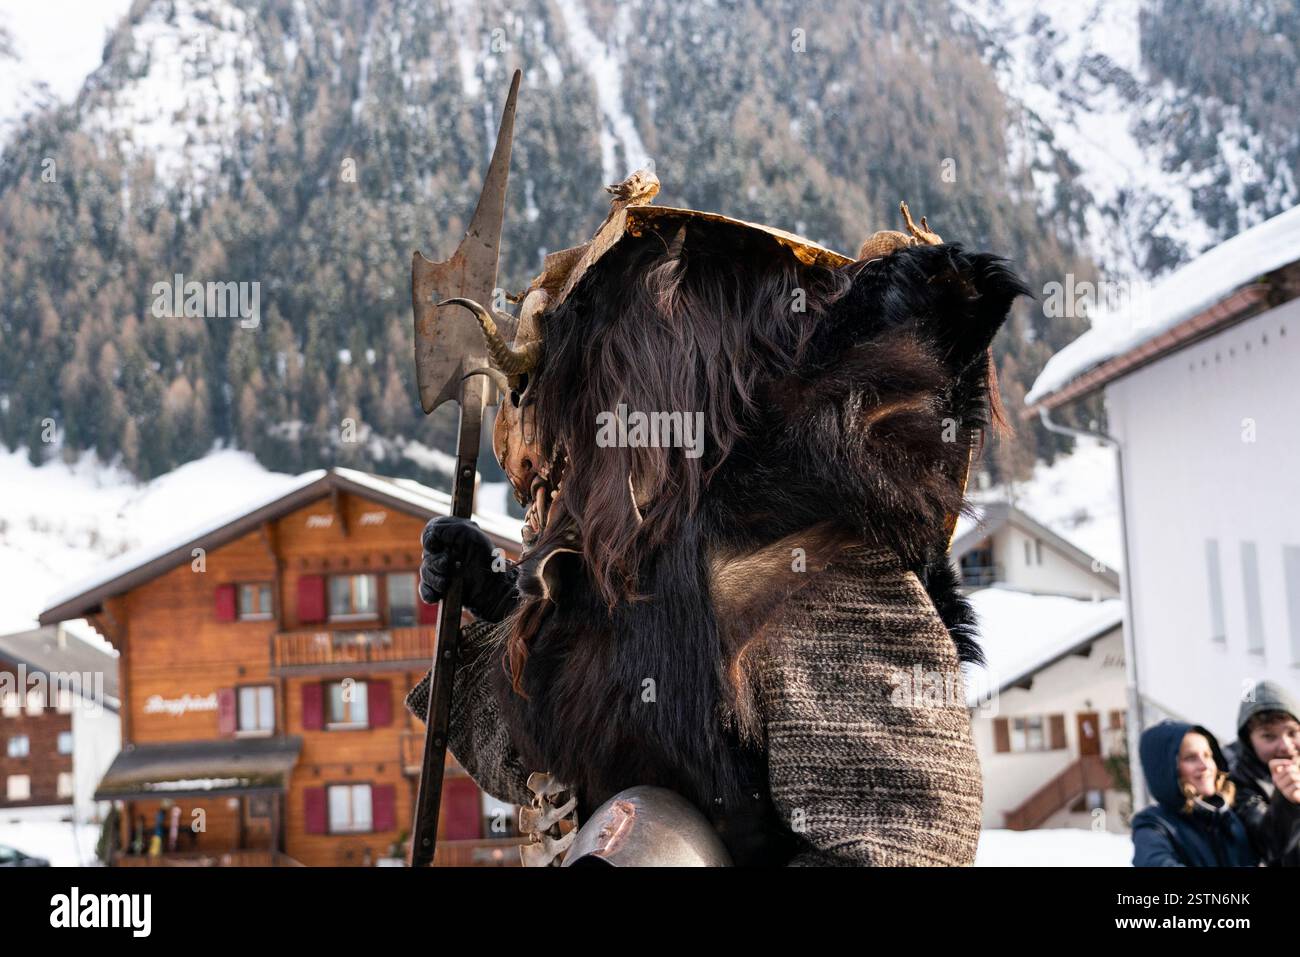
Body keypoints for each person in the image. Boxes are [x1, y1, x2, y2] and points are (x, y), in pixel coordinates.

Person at [405, 169, 1027, 866]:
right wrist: (494, 595)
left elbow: (901, 834)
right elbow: (545, 755)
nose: (565, 462)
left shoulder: (796, 559)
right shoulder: (624, 576)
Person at [1131, 720, 1257, 867]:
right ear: (1167, 770)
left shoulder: (1229, 815)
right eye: (1191, 758)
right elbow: (1154, 862)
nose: (1205, 766)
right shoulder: (1153, 824)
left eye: (1208, 755)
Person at [1225, 681, 1300, 866]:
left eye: (1292, 732)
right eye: (1269, 736)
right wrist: (1285, 800)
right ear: (1248, 741)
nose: (1285, 746)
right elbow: (1267, 845)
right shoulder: (1235, 778)